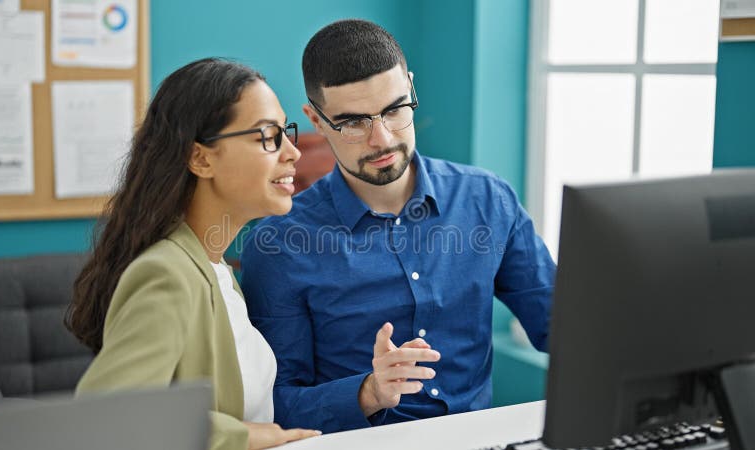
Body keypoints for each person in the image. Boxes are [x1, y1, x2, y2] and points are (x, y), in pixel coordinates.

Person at [240, 19, 556, 433]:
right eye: (353, 122)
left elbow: (562, 329)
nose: (382, 139)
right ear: (316, 120)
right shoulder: (278, 244)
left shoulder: (487, 199)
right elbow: (274, 406)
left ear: (410, 87)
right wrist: (368, 392)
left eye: (394, 109)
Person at [64, 58, 319, 450]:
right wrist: (244, 437)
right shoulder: (167, 273)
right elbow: (108, 417)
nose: (292, 153)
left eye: (286, 133)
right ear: (200, 158)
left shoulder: (216, 271)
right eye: (268, 136)